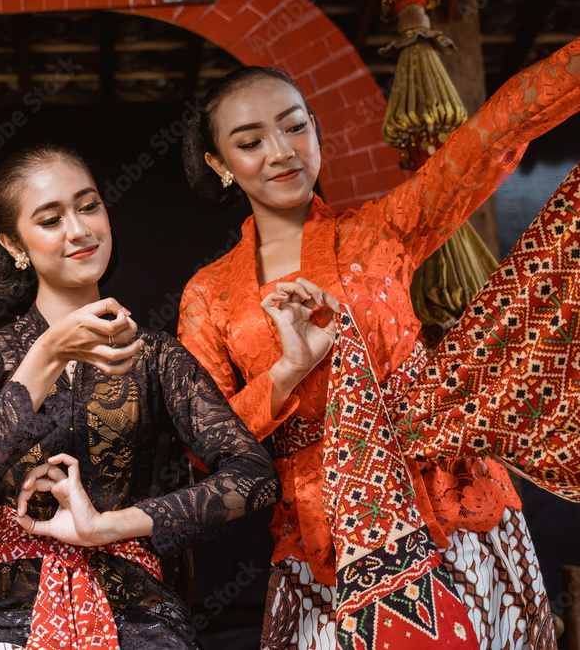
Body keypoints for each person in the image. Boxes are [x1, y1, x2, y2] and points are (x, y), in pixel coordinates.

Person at [178, 38, 580, 649]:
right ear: (219, 164)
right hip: (323, 539)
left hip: (447, 499)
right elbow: (204, 449)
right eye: (251, 141)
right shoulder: (209, 294)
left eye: (294, 127)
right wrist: (286, 372)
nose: (281, 152)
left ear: (316, 129)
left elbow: (498, 131)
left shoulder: (380, 228)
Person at [0, 144, 280, 650]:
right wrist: (47, 354)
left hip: (139, 607)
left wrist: (107, 527)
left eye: (88, 205)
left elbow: (254, 477)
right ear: (13, 244)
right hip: (3, 611)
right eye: (51, 219)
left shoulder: (156, 356)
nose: (79, 229)